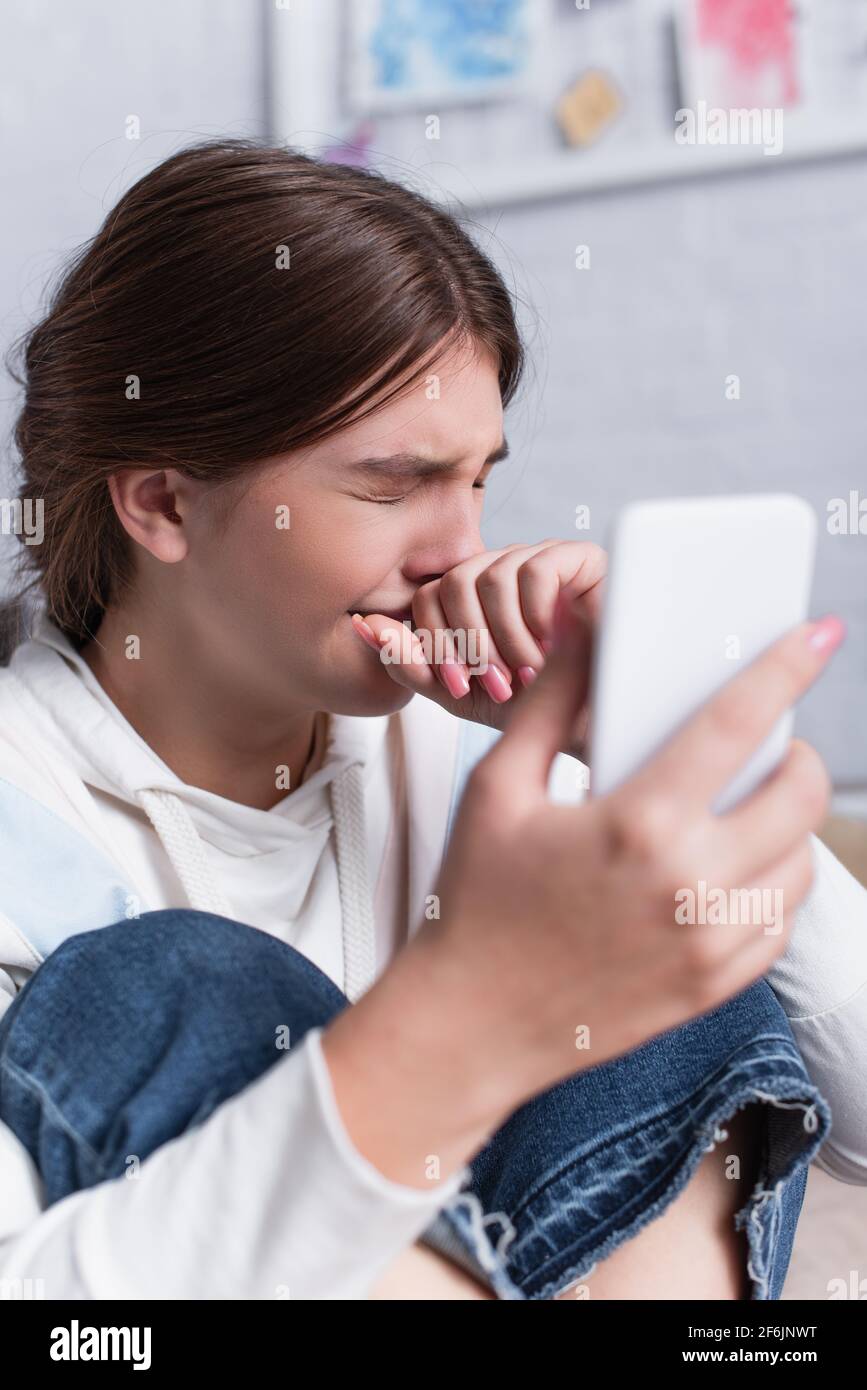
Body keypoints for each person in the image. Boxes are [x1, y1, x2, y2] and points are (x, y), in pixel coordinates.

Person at [0, 139, 864, 1302]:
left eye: (478, 481)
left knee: (639, 930)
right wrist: (469, 1017)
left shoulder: (486, 763)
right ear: (162, 503)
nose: (460, 552)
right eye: (391, 485)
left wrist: (654, 755)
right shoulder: (24, 823)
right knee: (176, 986)